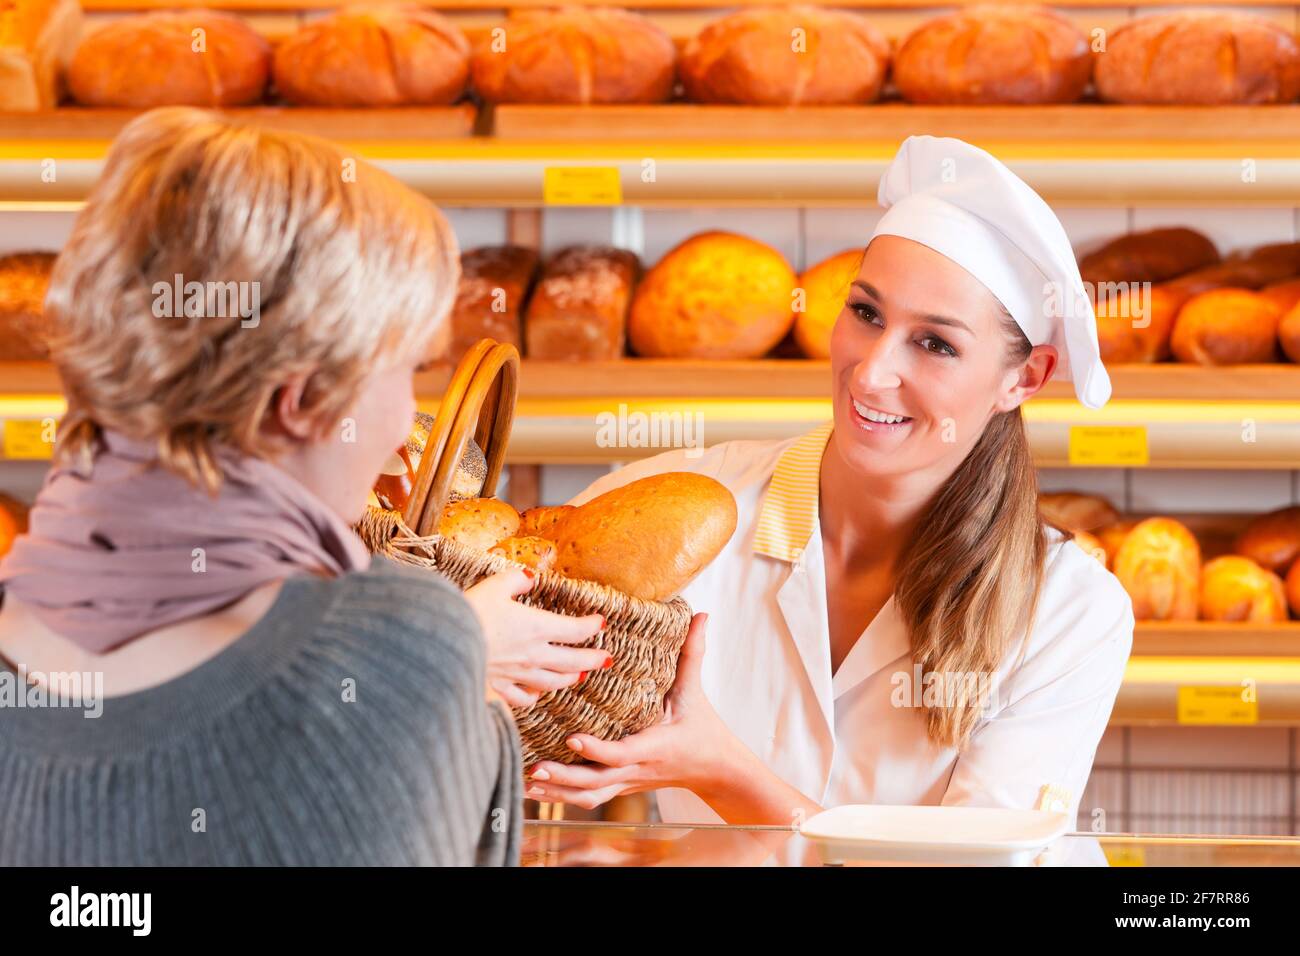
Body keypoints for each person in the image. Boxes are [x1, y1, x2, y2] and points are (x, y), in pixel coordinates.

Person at [0, 107, 608, 865]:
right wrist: (441, 662)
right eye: (408, 373)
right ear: (300, 399)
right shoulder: (407, 634)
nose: (404, 427)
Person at [523, 135, 1136, 828]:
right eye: (866, 313)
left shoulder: (1068, 611)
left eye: (935, 343)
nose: (871, 372)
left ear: (1024, 378)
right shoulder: (677, 512)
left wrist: (722, 773)